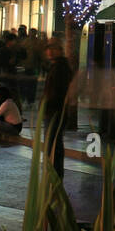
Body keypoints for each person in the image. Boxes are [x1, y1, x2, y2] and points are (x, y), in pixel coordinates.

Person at [42, 36, 73, 179]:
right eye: (48, 48)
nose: (49, 51)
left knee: (53, 145)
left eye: (52, 48)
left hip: (55, 112)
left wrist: (47, 104)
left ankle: (54, 175)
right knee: (54, 144)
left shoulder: (60, 68)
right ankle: (53, 174)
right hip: (53, 111)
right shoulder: (56, 66)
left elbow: (57, 92)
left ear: (59, 50)